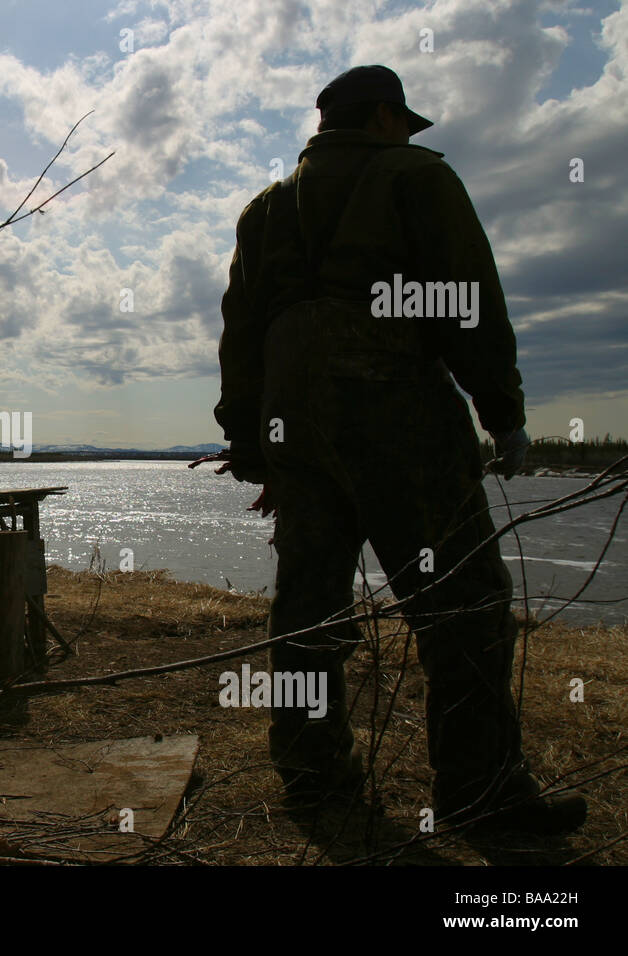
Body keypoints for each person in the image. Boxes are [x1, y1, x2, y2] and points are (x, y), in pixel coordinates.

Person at [213, 64, 586, 834]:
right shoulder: (417, 176)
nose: (407, 134)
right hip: (393, 407)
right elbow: (467, 297)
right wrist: (503, 413)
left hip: (294, 420)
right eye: (402, 121)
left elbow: (240, 336)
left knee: (307, 612)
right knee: (463, 603)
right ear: (383, 116)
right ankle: (484, 798)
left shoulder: (264, 211)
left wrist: (254, 444)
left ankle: (316, 787)